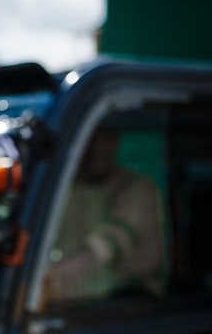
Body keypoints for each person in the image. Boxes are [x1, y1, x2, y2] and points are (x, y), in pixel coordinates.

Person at [43, 125, 166, 304]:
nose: (95, 151)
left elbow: (112, 241)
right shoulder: (69, 189)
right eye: (88, 143)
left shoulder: (137, 187)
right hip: (74, 298)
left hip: (129, 300)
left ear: (114, 143)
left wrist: (54, 275)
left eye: (101, 142)